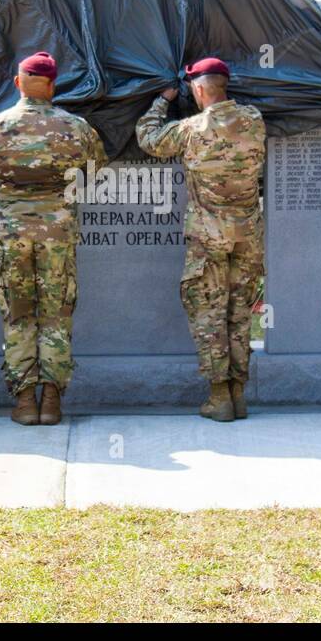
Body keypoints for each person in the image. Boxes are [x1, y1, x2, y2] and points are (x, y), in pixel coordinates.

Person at [0, 51, 107, 425]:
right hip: (58, 235)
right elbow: (95, 168)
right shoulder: (76, 128)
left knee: (18, 315)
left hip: (12, 236)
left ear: (18, 83)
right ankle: (52, 402)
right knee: (57, 316)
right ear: (53, 85)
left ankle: (25, 401)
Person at [135, 57, 266, 422]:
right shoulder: (255, 121)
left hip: (209, 239)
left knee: (209, 313)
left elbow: (147, 138)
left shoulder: (190, 129)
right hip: (248, 237)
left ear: (197, 89)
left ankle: (219, 396)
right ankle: (239, 395)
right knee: (239, 315)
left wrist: (162, 101)